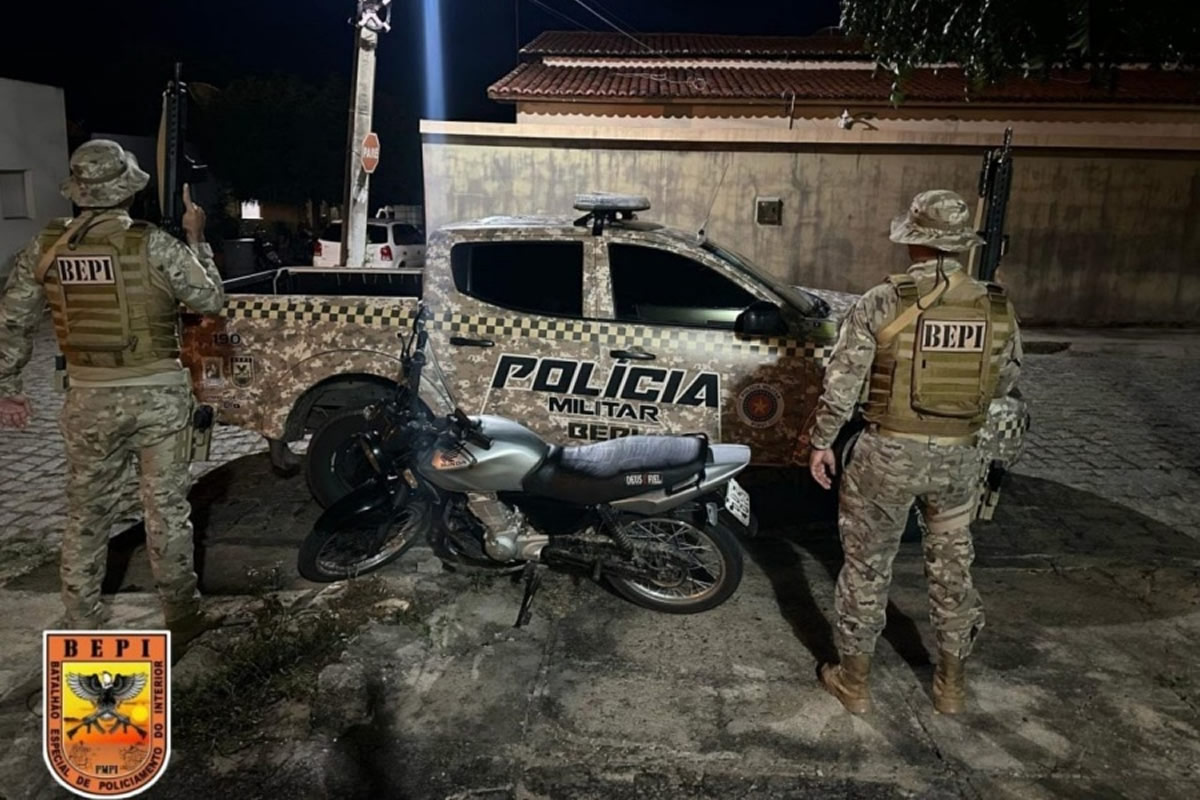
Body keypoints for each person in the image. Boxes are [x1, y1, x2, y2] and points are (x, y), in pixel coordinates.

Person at [0, 140, 226, 644]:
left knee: (86, 510)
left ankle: (82, 619)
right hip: (157, 401)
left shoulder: (47, 248)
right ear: (128, 190)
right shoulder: (154, 244)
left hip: (87, 399)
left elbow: (13, 317)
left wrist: (8, 387)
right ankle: (182, 615)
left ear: (80, 192)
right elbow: (210, 300)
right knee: (165, 508)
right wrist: (198, 239)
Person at [806, 189, 1022, 715]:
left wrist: (820, 442)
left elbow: (842, 384)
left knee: (866, 568)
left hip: (887, 456)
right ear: (959, 245)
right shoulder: (995, 305)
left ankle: (854, 684)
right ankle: (950, 686)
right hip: (959, 459)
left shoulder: (884, 300)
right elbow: (1005, 379)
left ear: (914, 243)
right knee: (952, 568)